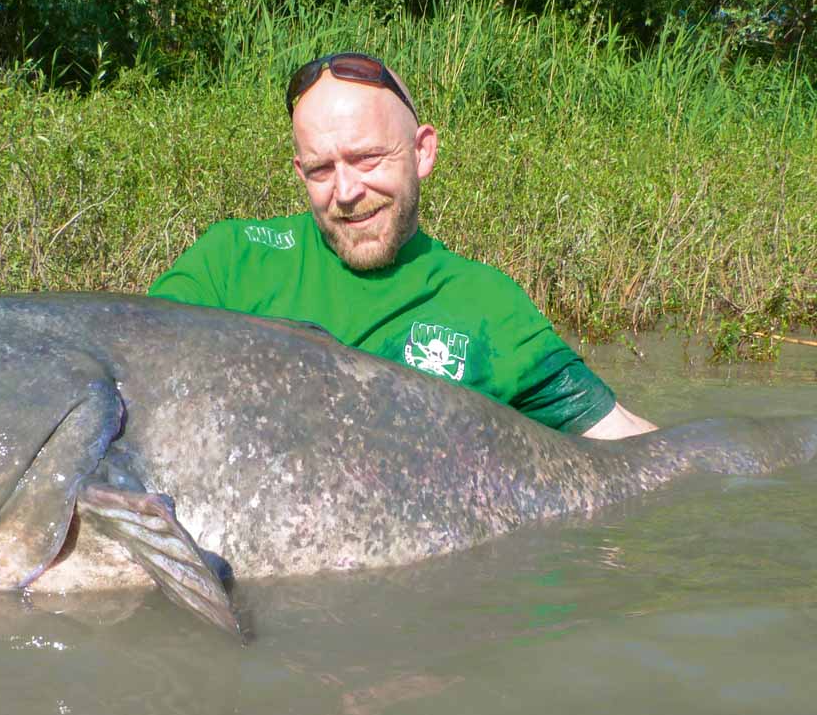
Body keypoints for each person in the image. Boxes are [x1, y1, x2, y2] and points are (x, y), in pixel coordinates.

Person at [148, 52, 656, 439]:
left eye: (368, 158)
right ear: (300, 173)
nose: (346, 192)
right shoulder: (229, 261)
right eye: (322, 169)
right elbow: (131, 371)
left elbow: (627, 447)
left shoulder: (489, 304)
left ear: (422, 152)